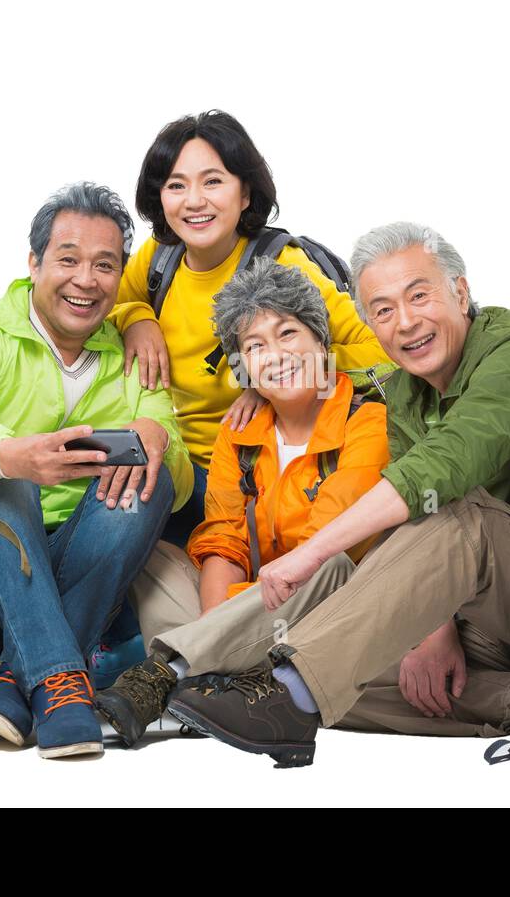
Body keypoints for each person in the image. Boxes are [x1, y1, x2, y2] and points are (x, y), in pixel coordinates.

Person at [92, 221, 510, 766]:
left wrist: (313, 565)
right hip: (433, 618)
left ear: (461, 292)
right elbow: (225, 537)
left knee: (359, 577)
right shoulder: (400, 390)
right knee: (325, 669)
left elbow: (437, 476)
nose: (406, 321)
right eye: (384, 310)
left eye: (419, 296)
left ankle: (188, 675)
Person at [0, 182, 193, 759]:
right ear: (35, 262)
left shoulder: (135, 356)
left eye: (105, 265)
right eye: (68, 259)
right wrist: (12, 454)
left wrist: (160, 437)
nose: (86, 280)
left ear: (120, 277)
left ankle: (24, 680)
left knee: (150, 478)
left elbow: (182, 484)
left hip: (93, 555)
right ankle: (62, 682)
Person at [95, 262, 391, 745]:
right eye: (255, 346)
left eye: (288, 333)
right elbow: (225, 540)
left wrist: (222, 624)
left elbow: (321, 546)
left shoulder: (366, 420)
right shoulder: (239, 433)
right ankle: (218, 681)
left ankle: (166, 676)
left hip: (325, 609)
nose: (276, 356)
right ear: (243, 367)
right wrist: (222, 626)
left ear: (321, 342)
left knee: (328, 563)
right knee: (152, 555)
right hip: (255, 608)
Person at [107, 110, 391, 548]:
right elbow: (101, 302)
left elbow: (382, 353)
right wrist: (136, 318)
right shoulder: (158, 257)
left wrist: (272, 375)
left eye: (213, 181)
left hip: (253, 480)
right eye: (176, 185)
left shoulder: (282, 265)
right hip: (174, 466)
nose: (194, 201)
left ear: (245, 193)